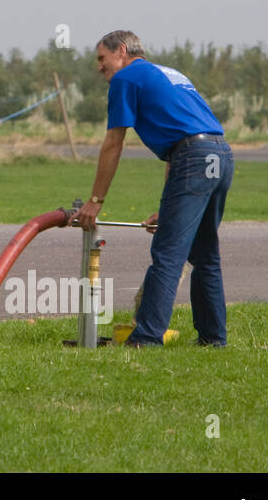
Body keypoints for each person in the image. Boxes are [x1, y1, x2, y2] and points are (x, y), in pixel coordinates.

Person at [73, 30, 234, 346]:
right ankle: (213, 339)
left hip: (194, 157)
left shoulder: (127, 78)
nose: (99, 68)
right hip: (219, 154)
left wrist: (95, 200)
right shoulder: (170, 73)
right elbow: (181, 140)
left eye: (101, 59)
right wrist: (169, 207)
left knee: (168, 253)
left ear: (121, 51)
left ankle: (145, 338)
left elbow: (113, 143)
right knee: (205, 255)